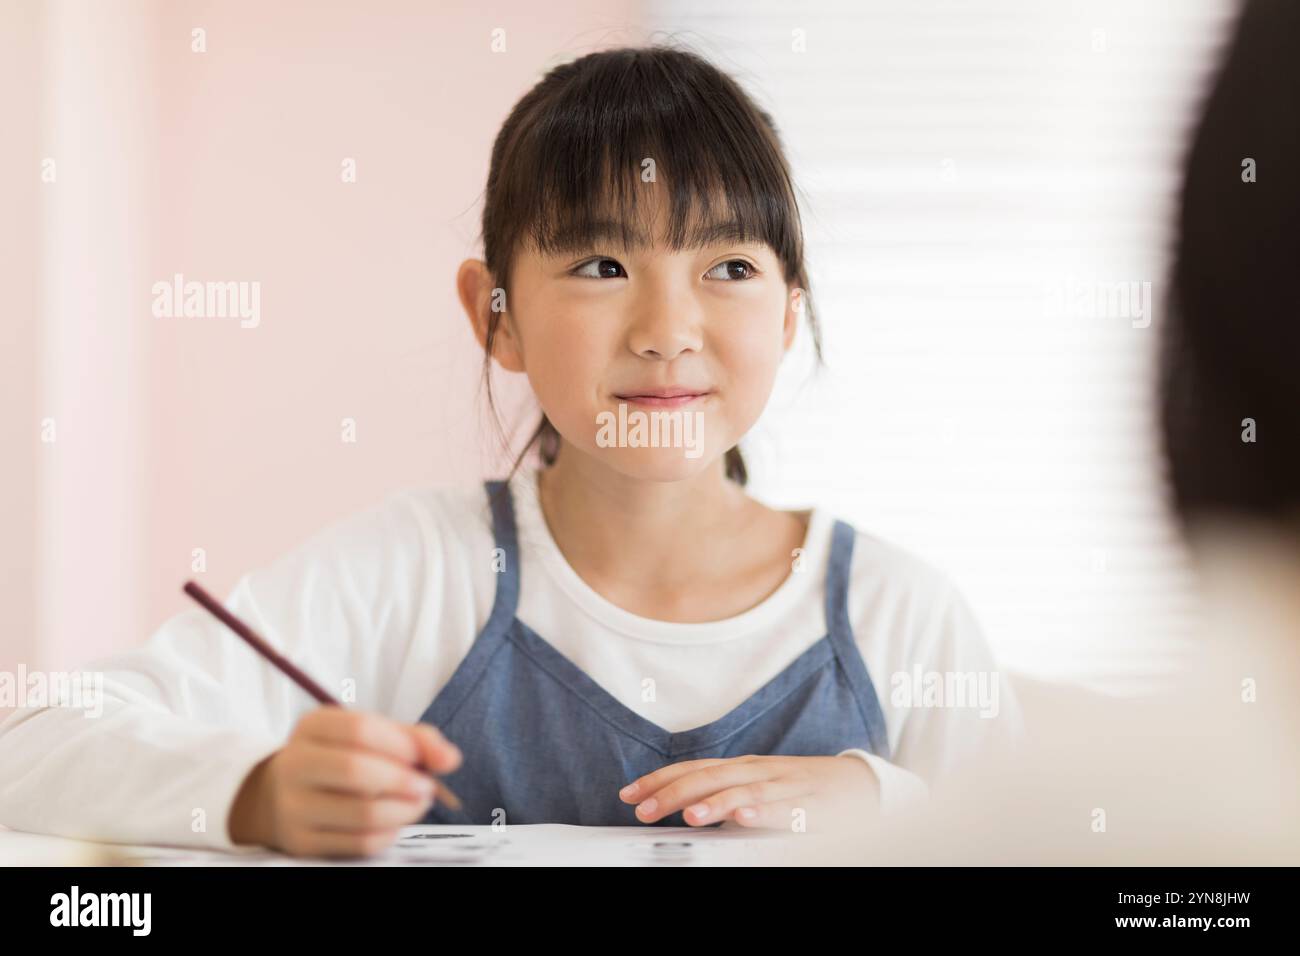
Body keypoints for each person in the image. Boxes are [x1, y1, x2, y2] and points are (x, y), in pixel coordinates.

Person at [0, 46, 1020, 859]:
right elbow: (31, 743)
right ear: (495, 314)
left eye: (730, 265)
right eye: (602, 261)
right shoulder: (411, 570)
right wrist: (255, 791)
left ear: (790, 313)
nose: (668, 327)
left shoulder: (898, 613)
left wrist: (888, 804)